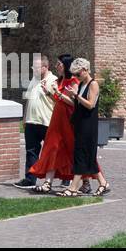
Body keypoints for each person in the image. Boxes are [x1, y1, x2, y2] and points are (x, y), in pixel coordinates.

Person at [58, 59, 110, 197]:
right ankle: (103, 183)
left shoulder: (93, 85)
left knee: (81, 155)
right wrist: (69, 96)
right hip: (80, 124)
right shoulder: (81, 84)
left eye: (78, 73)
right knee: (88, 156)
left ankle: (73, 188)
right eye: (75, 74)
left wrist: (76, 96)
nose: (76, 76)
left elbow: (90, 105)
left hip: (89, 125)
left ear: (85, 69)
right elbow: (78, 105)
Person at [28, 54, 77, 193]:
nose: (57, 66)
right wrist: (49, 93)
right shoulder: (60, 80)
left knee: (72, 150)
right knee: (51, 149)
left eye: (59, 64)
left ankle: (83, 181)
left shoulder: (73, 81)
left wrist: (59, 94)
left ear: (66, 65)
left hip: (68, 121)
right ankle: (47, 183)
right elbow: (58, 101)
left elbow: (74, 103)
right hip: (56, 120)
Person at [17, 54, 57, 188]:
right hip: (31, 122)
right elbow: (28, 100)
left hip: (47, 123)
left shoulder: (54, 81)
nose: (33, 69)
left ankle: (63, 177)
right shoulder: (33, 80)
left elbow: (59, 102)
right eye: (33, 66)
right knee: (31, 151)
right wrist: (24, 118)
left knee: (53, 152)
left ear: (45, 67)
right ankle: (30, 179)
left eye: (36, 67)